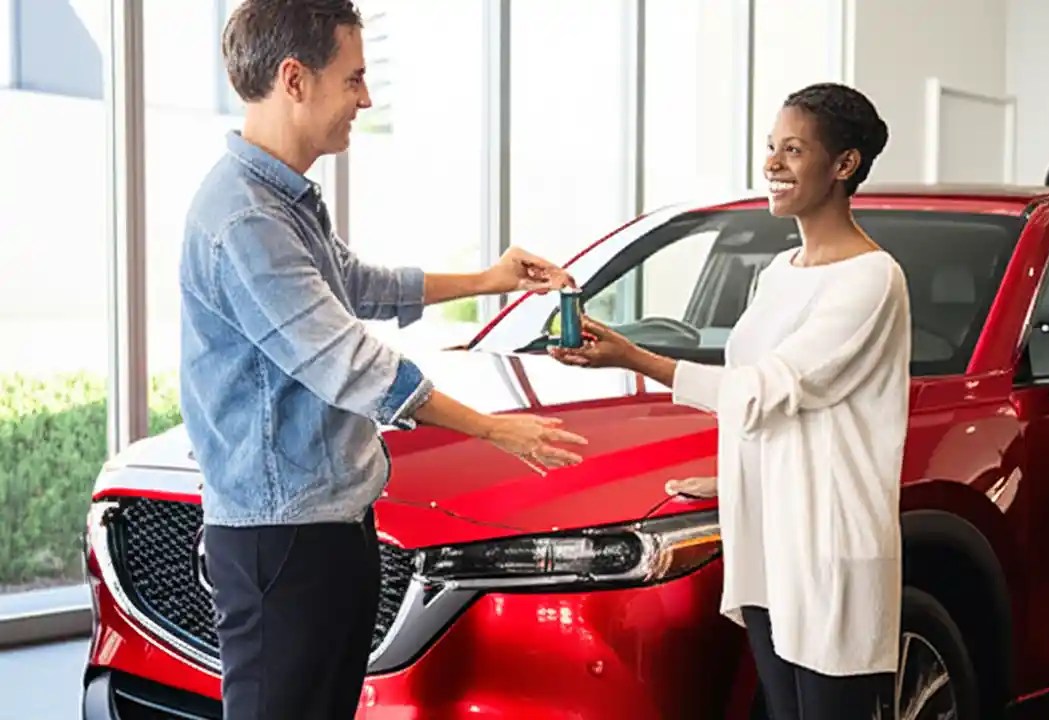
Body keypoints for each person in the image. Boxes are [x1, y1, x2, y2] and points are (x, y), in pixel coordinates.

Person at [179, 2, 588, 717]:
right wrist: (497, 429)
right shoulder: (247, 219)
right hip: (284, 543)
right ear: (295, 79)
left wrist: (488, 279)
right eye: (355, 78)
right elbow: (349, 362)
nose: (366, 100)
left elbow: (357, 284)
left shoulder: (282, 200)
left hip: (323, 526)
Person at [550, 82, 908, 719]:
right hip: (769, 538)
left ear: (844, 165)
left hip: (829, 550)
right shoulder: (779, 271)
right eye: (771, 147)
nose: (771, 163)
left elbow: (768, 388)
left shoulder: (872, 278)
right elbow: (773, 408)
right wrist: (728, 476)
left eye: (793, 150)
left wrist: (633, 356)